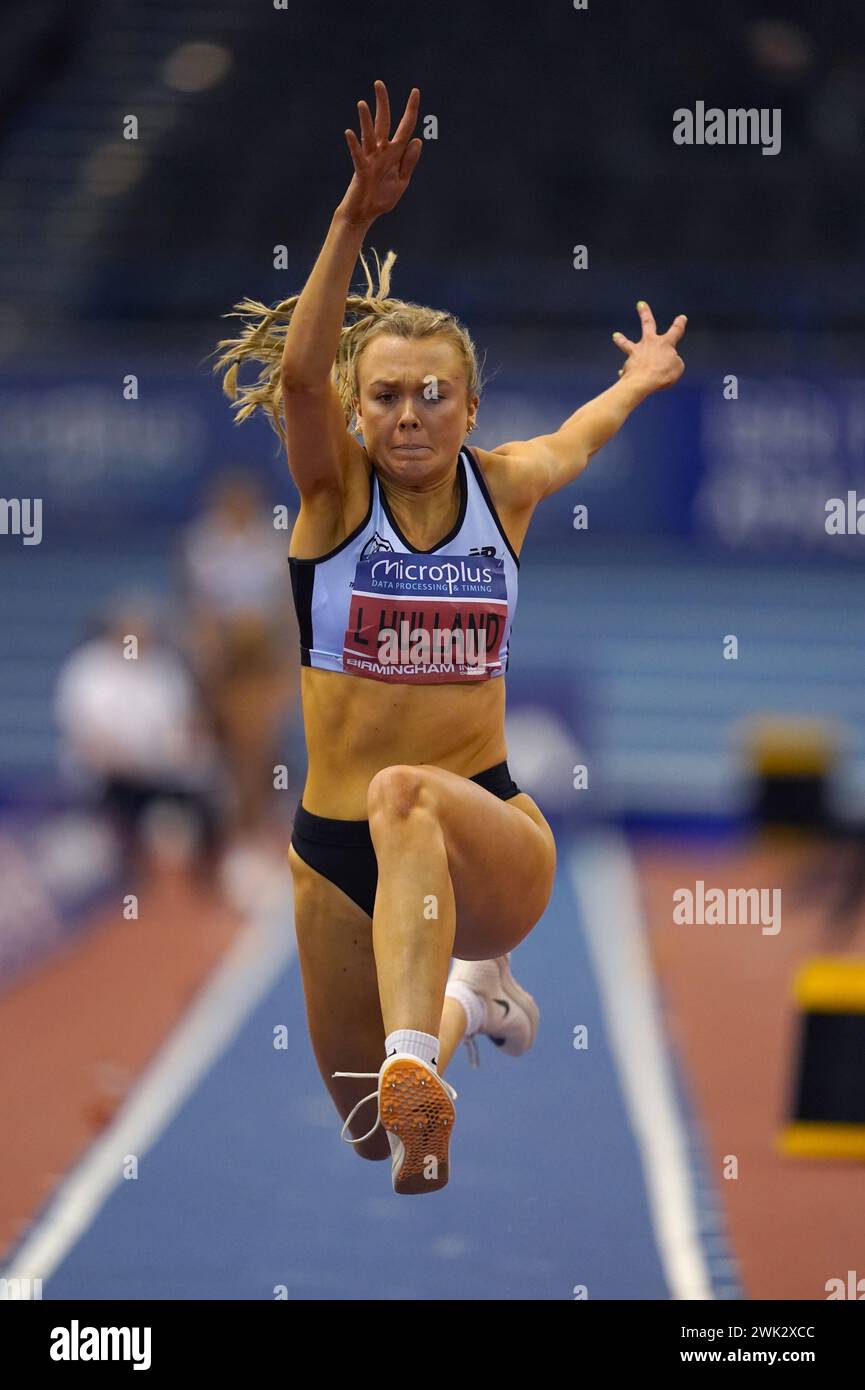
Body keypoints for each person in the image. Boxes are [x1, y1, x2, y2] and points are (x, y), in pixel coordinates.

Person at [212, 80, 686, 1195]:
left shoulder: (504, 489)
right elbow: (294, 377)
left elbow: (581, 434)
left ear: (470, 410)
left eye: (434, 394)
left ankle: (431, 1044)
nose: (411, 413)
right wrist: (351, 217)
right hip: (334, 857)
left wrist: (638, 377)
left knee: (408, 794)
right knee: (368, 1133)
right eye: (386, 397)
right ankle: (484, 1002)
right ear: (357, 411)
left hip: (487, 835)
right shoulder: (331, 502)